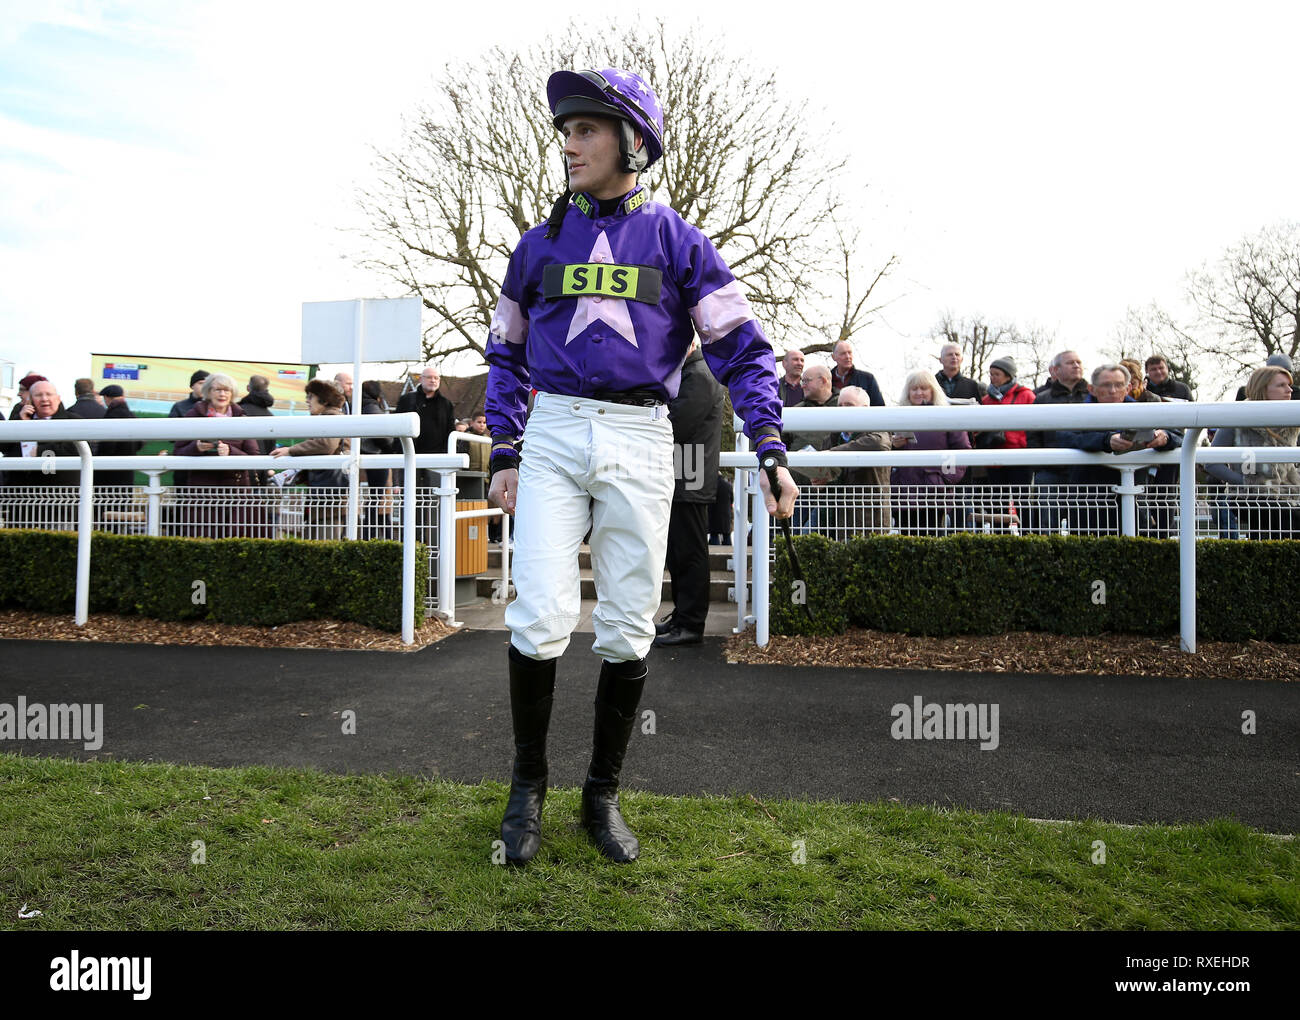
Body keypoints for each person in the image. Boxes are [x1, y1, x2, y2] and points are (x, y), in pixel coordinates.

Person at [483, 66, 796, 866]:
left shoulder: (681, 243)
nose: (569, 144)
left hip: (641, 436)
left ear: (634, 142)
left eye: (586, 129)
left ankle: (602, 794)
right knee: (542, 614)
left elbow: (742, 351)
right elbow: (505, 354)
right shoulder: (536, 245)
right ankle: (526, 792)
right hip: (553, 433)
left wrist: (768, 444)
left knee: (626, 623)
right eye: (567, 131)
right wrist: (508, 447)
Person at [1056, 364, 1181, 535]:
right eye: (1106, 385)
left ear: (1128, 388)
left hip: (1135, 499)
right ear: (1091, 389)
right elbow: (1064, 438)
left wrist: (1164, 437)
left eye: (1119, 385)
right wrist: (1106, 441)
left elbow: (1178, 436)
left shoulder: (1144, 412)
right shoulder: (1076, 414)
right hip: (1089, 500)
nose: (1113, 391)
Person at [655, 339, 724, 647]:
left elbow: (677, 424)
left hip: (691, 474)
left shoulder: (699, 375)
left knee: (691, 554)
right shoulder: (692, 372)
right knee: (679, 553)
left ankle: (691, 623)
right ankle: (683, 617)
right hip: (684, 473)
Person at [1204, 364, 1300, 539]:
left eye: (1289, 385)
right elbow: (1211, 462)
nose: (1289, 390)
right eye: (1281, 385)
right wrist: (1247, 483)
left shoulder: (1293, 417)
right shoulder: (1237, 416)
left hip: (1286, 493)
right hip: (1249, 497)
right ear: (1263, 389)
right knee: (1284, 519)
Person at [174, 373, 261, 537]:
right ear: (208, 391)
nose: (222, 394)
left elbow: (253, 456)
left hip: (236, 492)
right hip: (201, 493)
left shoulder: (242, 418)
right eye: (218, 390)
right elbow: (178, 452)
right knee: (201, 538)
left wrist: (230, 451)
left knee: (236, 540)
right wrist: (197, 447)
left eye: (227, 390)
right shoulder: (192, 415)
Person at [888, 371, 970, 535]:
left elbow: (962, 451)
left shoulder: (947, 417)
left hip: (934, 494)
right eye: (914, 389)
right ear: (908, 392)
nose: (919, 393)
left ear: (933, 390)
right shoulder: (898, 417)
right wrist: (894, 445)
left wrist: (944, 479)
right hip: (903, 493)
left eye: (924, 388)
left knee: (933, 539)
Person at [271, 379, 352, 539]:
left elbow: (326, 445)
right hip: (328, 495)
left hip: (329, 499)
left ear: (324, 399)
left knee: (325, 545)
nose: (307, 401)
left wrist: (291, 450)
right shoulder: (331, 417)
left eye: (310, 396)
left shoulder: (331, 418)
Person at [812, 385, 892, 535]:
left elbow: (879, 444)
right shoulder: (830, 439)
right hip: (833, 522)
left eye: (848, 405)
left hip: (868, 521)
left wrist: (829, 455)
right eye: (840, 405)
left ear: (866, 408)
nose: (842, 409)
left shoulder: (878, 432)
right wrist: (821, 482)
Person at [976, 356, 1036, 486]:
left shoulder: (1026, 395)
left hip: (1019, 456)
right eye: (991, 374)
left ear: (1008, 376)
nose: (993, 377)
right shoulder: (986, 400)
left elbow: (1035, 424)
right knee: (997, 500)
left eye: (997, 374)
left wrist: (1020, 441)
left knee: (1021, 499)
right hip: (994, 456)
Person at [95, 385, 143, 488]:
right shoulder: (132, 416)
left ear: (107, 398)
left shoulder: (111, 416)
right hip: (128, 470)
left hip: (109, 473)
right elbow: (140, 444)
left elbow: (106, 447)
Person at [829, 339, 885, 404]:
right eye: (843, 354)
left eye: (849, 353)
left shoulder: (867, 379)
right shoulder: (826, 381)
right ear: (833, 357)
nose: (848, 357)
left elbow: (879, 406)